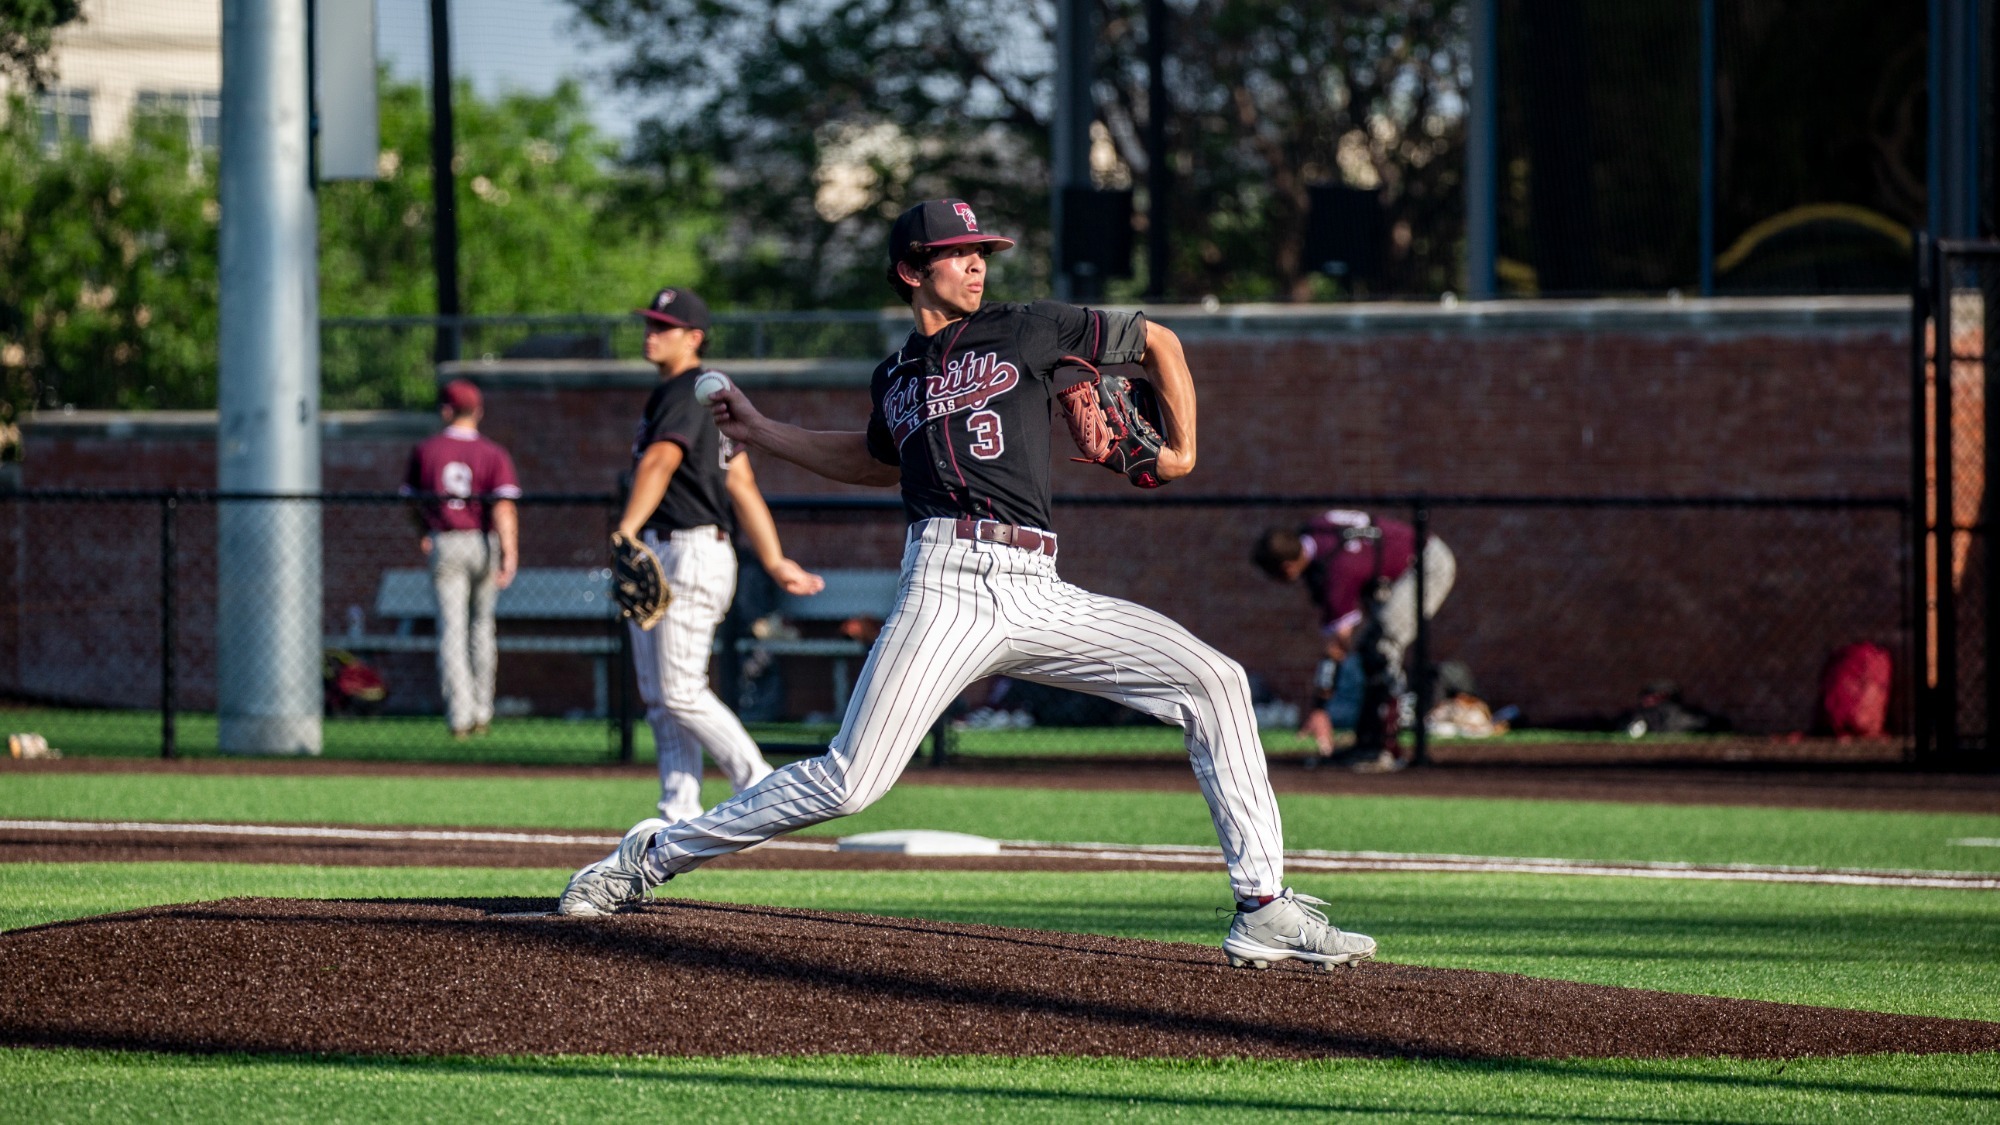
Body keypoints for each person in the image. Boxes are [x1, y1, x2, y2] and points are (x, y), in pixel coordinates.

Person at [558, 199, 1377, 972]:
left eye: (981, 252)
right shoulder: (896, 377)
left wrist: (1182, 449)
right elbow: (876, 462)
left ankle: (1263, 904)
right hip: (945, 584)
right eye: (957, 254)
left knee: (1217, 681)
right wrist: (764, 429)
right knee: (851, 779)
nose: (977, 265)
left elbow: (1159, 340)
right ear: (912, 269)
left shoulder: (1029, 326)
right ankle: (650, 857)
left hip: (1039, 581)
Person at [622, 285, 826, 822]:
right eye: (649, 324)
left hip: (688, 550)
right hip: (679, 549)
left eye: (662, 327)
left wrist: (626, 529)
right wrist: (776, 559)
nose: (650, 333)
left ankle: (759, 782)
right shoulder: (689, 396)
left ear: (695, 338)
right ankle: (677, 810)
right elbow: (742, 481)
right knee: (661, 696)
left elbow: (661, 461)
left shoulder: (687, 390)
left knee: (679, 690)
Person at [1252, 510, 1456, 772]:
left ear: (1287, 567)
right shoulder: (1314, 529)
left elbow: (1339, 643)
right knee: (1372, 648)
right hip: (1410, 558)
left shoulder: (1336, 570)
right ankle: (1367, 742)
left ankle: (1384, 748)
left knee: (1381, 649)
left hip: (1428, 563)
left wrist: (1319, 708)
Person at [402, 379, 520, 739]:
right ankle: (484, 710)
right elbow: (503, 507)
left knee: (452, 631)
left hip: (447, 540)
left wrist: (423, 529)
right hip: (484, 541)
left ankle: (460, 716)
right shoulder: (493, 453)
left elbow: (409, 501)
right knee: (482, 627)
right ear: (478, 412)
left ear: (446, 410)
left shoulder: (427, 450)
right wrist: (510, 553)